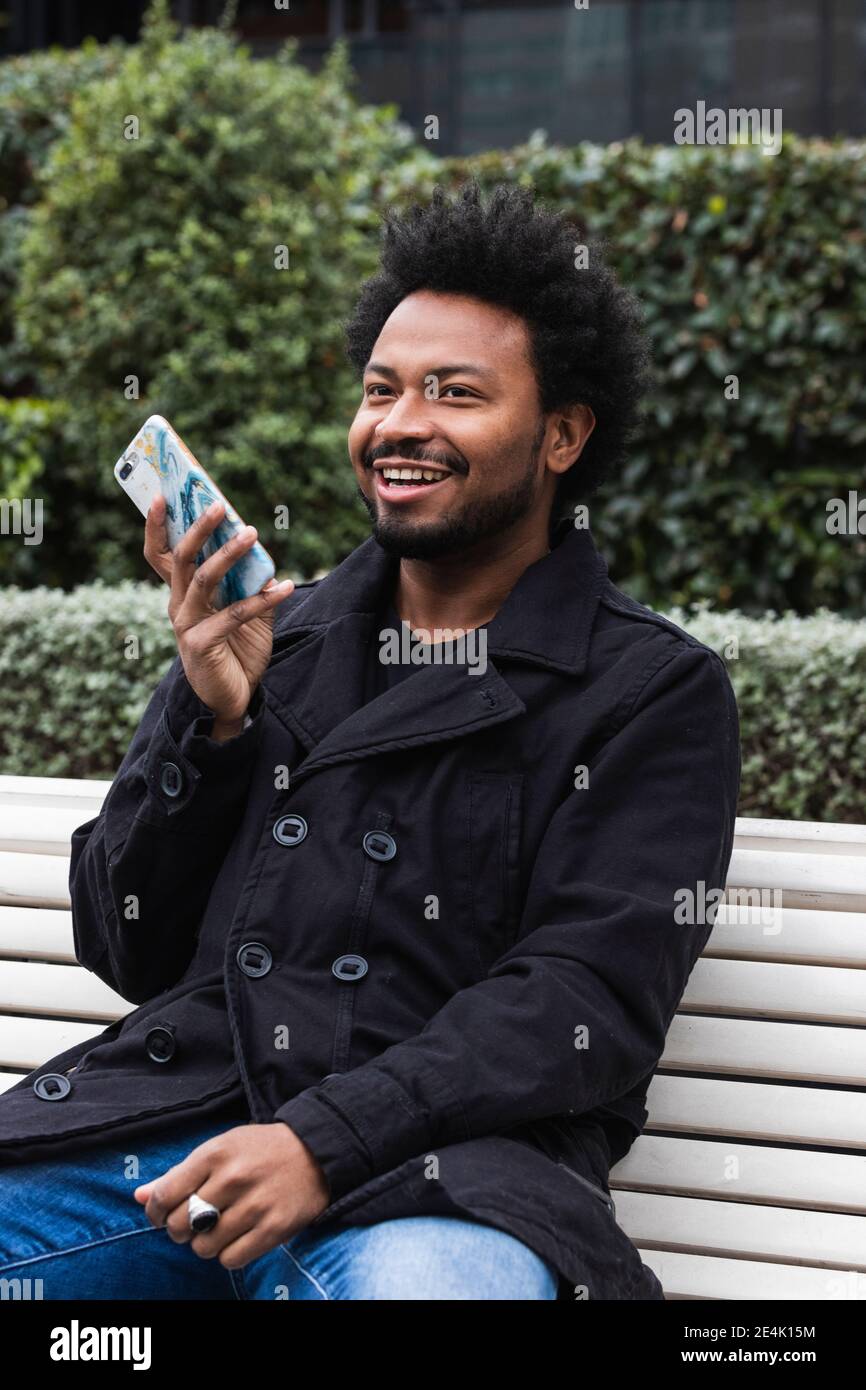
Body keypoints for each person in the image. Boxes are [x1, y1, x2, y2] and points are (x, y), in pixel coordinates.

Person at [0, 180, 740, 1300]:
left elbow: (579, 1000)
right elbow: (125, 943)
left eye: (453, 392)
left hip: (450, 1179)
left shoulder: (646, 689)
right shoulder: (271, 640)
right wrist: (208, 725)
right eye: (380, 388)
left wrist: (321, 1142)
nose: (398, 423)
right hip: (180, 1140)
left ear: (561, 435)